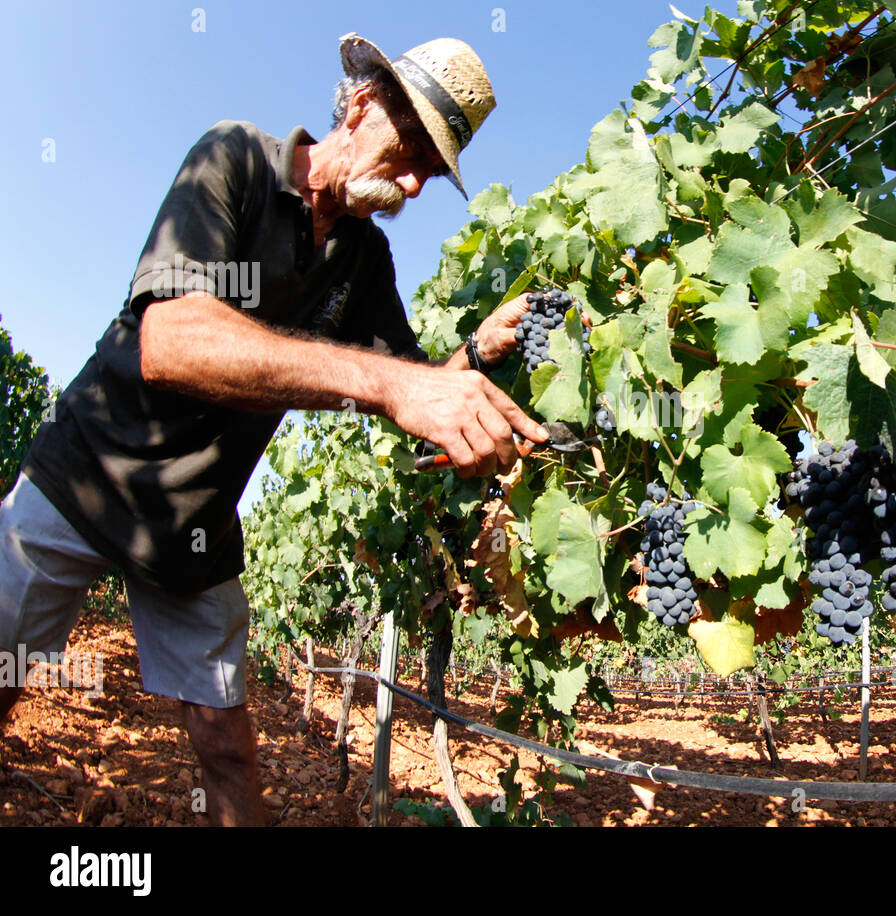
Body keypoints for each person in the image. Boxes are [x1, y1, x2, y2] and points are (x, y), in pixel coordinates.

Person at [0, 34, 546, 826]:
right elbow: (171, 342)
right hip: (84, 477)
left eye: (435, 166)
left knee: (227, 747)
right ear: (361, 105)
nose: (418, 182)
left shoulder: (365, 261)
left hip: (194, 529)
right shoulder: (236, 160)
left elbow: (411, 384)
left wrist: (476, 352)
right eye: (415, 147)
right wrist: (393, 384)